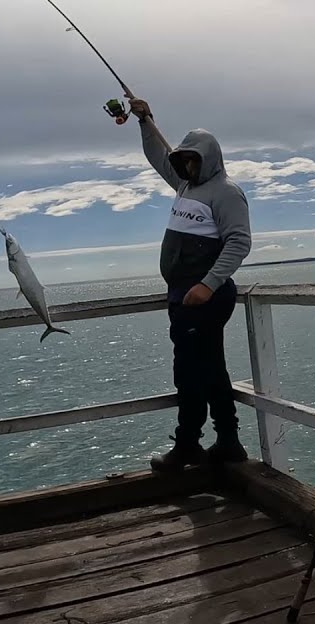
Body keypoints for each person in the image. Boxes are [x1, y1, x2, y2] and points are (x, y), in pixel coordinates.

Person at [127, 93, 252, 471]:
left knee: (191, 371)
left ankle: (189, 446)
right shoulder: (184, 186)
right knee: (210, 368)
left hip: (204, 297)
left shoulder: (226, 193)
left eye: (193, 159)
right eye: (183, 159)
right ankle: (227, 442)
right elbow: (157, 157)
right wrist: (145, 121)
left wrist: (208, 284)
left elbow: (239, 242)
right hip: (185, 296)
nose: (186, 165)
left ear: (209, 159)